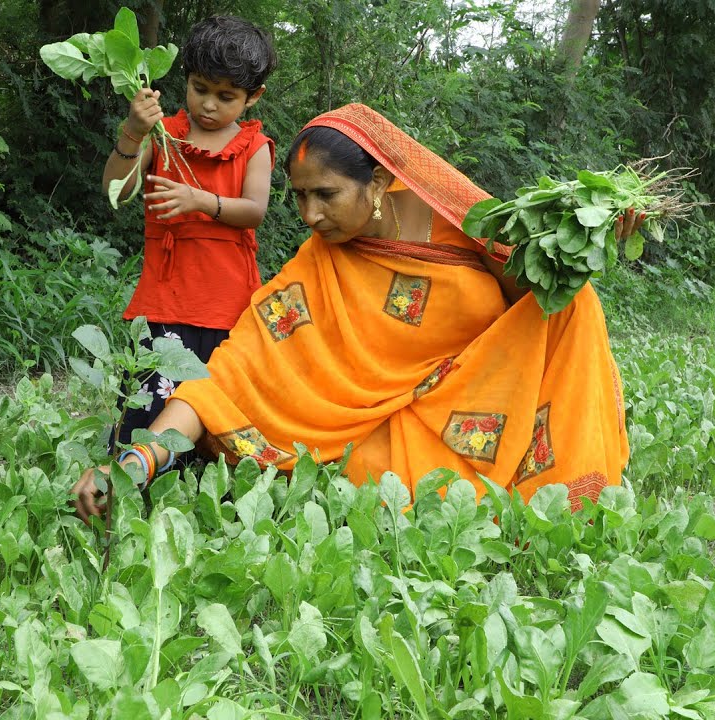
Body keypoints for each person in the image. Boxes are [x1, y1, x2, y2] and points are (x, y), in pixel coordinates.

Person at [75, 103, 641, 521]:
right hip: (381, 435)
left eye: (325, 194)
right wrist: (135, 464)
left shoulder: (465, 225)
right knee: (378, 485)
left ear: (378, 183)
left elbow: (539, 300)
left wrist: (585, 245)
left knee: (576, 303)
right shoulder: (316, 266)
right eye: (298, 196)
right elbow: (223, 379)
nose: (309, 214)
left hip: (480, 411)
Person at [103, 15, 277, 446]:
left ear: (253, 97)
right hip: (166, 300)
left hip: (227, 305)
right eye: (200, 89)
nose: (210, 105)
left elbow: (255, 210)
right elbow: (117, 190)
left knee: (215, 407)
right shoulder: (165, 134)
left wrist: (199, 201)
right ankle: (134, 470)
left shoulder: (253, 147)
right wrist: (135, 131)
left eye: (226, 96)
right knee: (146, 407)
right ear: (186, 80)